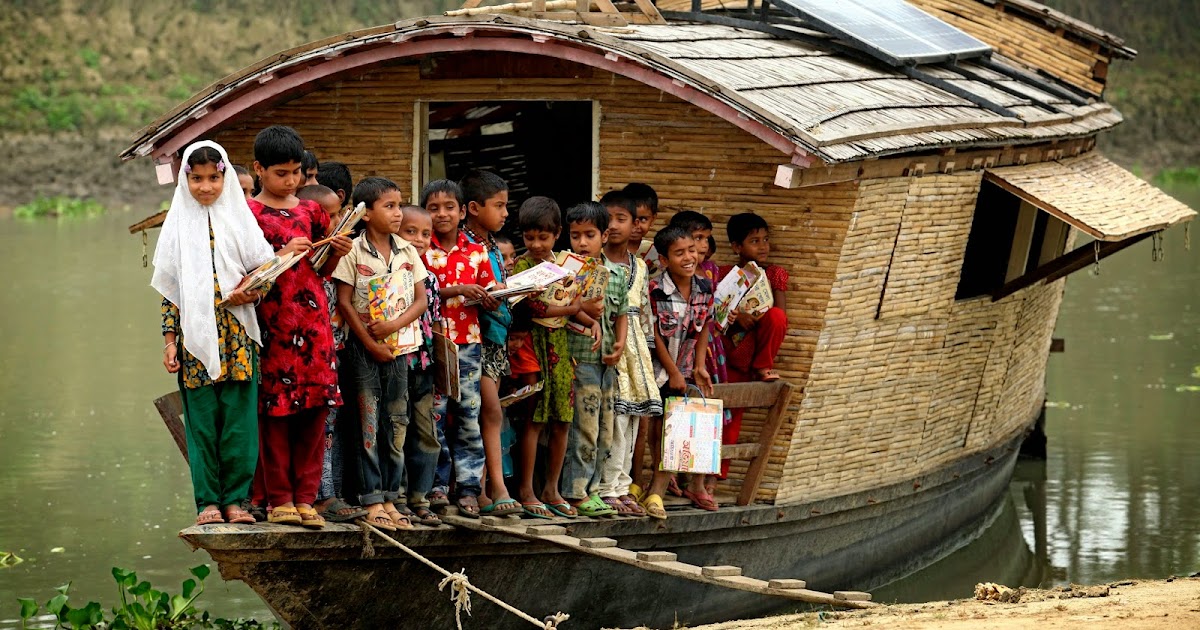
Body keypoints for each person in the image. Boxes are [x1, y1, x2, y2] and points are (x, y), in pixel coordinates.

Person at [154, 141, 277, 526]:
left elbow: (267, 271)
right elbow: (171, 290)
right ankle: (207, 502)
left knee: (239, 426)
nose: (205, 187)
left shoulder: (240, 220)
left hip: (238, 337)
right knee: (203, 426)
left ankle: (236, 501)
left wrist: (250, 292)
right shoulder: (177, 224)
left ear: (224, 178)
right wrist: (170, 341)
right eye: (196, 179)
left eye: (213, 178)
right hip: (195, 341)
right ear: (185, 180)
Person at [248, 125, 353, 528]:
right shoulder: (246, 214)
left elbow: (321, 270)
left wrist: (336, 251)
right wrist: (281, 253)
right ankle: (279, 499)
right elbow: (242, 272)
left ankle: (306, 499)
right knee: (275, 413)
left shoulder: (312, 211)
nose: (291, 181)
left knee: (314, 410)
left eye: (295, 172)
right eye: (281, 173)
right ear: (258, 169)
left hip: (313, 323)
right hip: (272, 324)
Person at [334, 176, 428, 532]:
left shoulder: (407, 250)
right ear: (366, 213)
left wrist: (392, 326)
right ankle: (371, 498)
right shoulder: (353, 251)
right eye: (389, 206)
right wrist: (372, 342)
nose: (398, 213)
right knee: (368, 423)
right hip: (362, 350)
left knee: (396, 421)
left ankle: (391, 496)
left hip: (400, 347)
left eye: (399, 205)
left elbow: (420, 300)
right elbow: (344, 302)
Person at [421, 179, 493, 518]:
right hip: (431, 344)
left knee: (468, 416)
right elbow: (419, 291)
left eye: (449, 207)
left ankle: (468, 488)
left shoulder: (477, 250)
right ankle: (436, 486)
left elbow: (490, 291)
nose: (442, 214)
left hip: (468, 344)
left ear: (463, 211)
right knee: (433, 416)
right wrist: (459, 289)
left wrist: (494, 297)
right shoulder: (419, 249)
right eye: (433, 208)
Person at [297, 183, 365, 524]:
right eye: (330, 215)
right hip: (307, 358)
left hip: (334, 353)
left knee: (332, 427)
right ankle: (320, 496)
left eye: (339, 215)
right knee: (318, 428)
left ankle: (331, 492)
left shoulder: (336, 255)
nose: (336, 222)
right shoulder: (301, 259)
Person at [510, 196, 580, 519]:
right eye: (529, 237)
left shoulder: (566, 265)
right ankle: (526, 490)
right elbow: (533, 307)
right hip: (532, 346)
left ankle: (552, 488)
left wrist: (587, 318)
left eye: (543, 237)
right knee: (534, 419)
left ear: (557, 234)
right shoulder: (521, 267)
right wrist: (573, 309)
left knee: (562, 420)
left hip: (560, 348)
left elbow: (578, 299)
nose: (536, 244)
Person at [458, 169, 521, 516]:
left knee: (487, 412)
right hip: (474, 338)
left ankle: (485, 488)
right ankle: (493, 487)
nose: (505, 213)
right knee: (487, 411)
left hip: (495, 339)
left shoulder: (492, 244)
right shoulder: (465, 246)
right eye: (498, 205)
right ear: (473, 207)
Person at [643, 225, 715, 519]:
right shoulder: (655, 289)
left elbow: (705, 324)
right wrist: (672, 371)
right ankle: (653, 490)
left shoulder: (704, 287)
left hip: (686, 369)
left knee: (681, 431)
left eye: (692, 251)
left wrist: (699, 366)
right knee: (661, 430)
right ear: (664, 260)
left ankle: (662, 491)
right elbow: (653, 335)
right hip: (659, 370)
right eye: (679, 253)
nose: (688, 258)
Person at [597, 191, 660, 516]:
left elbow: (645, 313)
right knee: (614, 420)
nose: (613, 225)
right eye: (607, 219)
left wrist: (646, 357)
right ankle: (606, 488)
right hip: (608, 345)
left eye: (621, 219)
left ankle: (623, 486)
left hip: (635, 352)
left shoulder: (640, 266)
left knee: (632, 419)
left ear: (635, 224)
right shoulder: (596, 262)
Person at [562, 202, 627, 517]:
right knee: (583, 428)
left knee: (605, 429)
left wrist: (621, 344)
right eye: (576, 236)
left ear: (605, 236)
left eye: (590, 235)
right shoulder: (566, 272)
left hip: (607, 362)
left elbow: (622, 312)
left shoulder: (617, 274)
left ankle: (595, 489)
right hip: (579, 358)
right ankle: (575, 492)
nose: (582, 242)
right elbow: (558, 310)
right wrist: (583, 307)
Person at [718, 212, 788, 478]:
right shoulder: (725, 274)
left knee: (777, 316)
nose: (763, 246)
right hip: (731, 352)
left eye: (765, 240)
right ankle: (712, 481)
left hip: (758, 348)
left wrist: (757, 317)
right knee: (728, 417)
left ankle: (763, 366)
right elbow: (717, 312)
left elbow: (780, 316)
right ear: (737, 247)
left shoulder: (774, 274)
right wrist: (738, 317)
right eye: (755, 241)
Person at [669, 210, 730, 498]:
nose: (702, 246)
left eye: (705, 239)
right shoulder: (663, 283)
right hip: (677, 354)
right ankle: (671, 475)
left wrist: (701, 362)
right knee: (674, 414)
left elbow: (708, 317)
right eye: (697, 238)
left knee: (702, 412)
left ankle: (698, 481)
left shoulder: (709, 274)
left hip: (706, 354)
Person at [396, 204, 446, 527]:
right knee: (397, 432)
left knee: (427, 434)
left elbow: (437, 322)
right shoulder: (391, 277)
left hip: (425, 367)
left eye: (426, 234)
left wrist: (442, 367)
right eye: (410, 232)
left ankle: (420, 498)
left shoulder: (431, 279)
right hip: (398, 364)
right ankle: (397, 497)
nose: (419, 240)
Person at [623, 182, 660, 275]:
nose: (636, 225)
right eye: (631, 218)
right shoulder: (608, 251)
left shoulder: (657, 253)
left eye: (643, 219)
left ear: (653, 219)